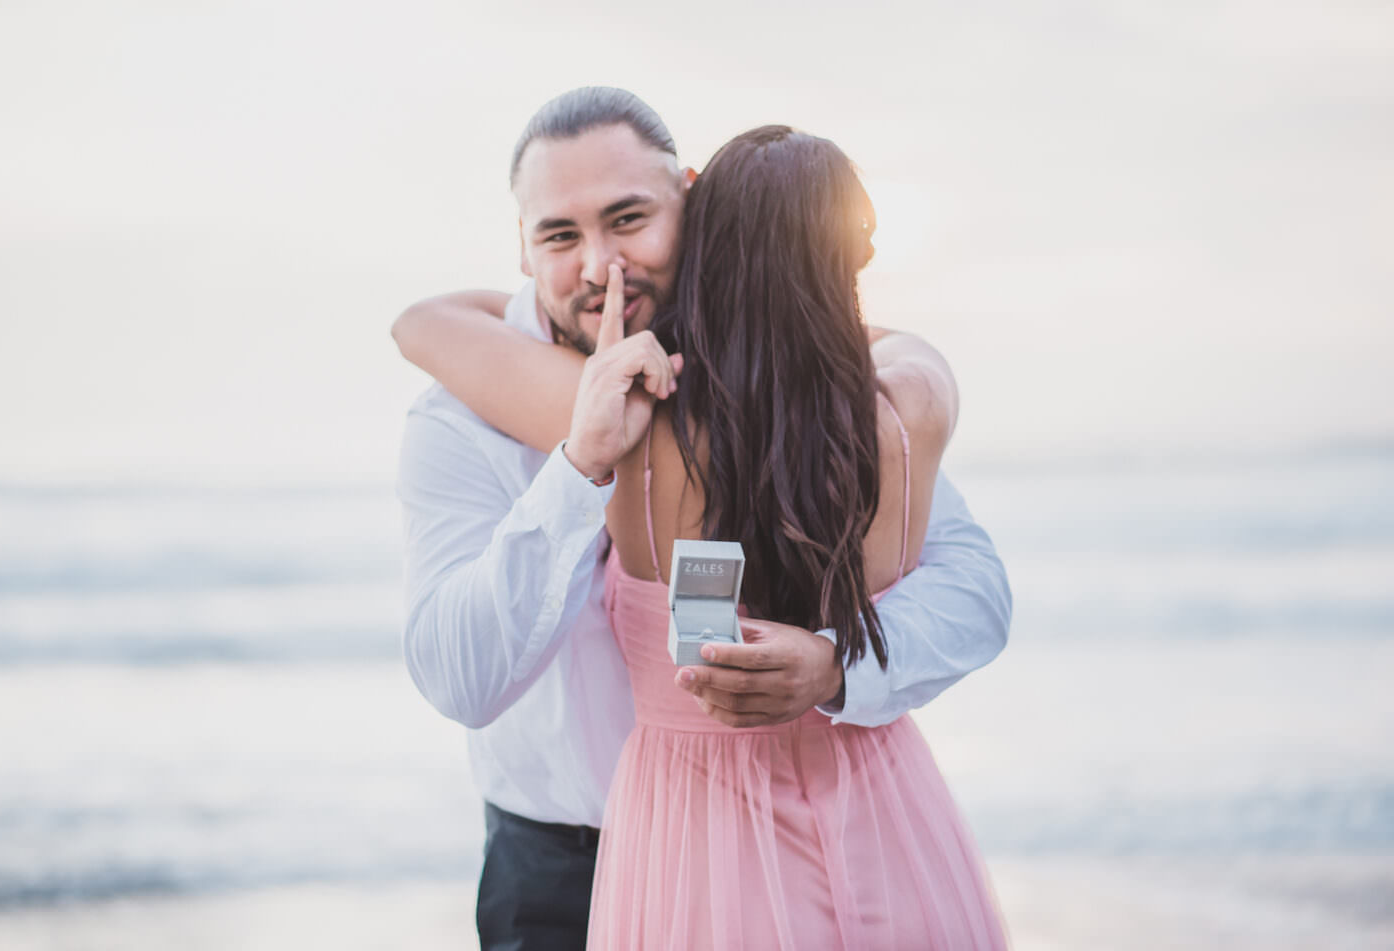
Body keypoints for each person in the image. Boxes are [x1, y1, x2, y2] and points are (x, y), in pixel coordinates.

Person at [394, 87, 1010, 950]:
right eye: (560, 236)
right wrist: (577, 470)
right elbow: (459, 681)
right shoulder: (460, 416)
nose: (601, 265)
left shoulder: (817, 395)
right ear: (524, 248)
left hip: (792, 834)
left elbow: (972, 588)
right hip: (558, 865)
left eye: (629, 219)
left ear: (692, 198)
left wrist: (838, 665)